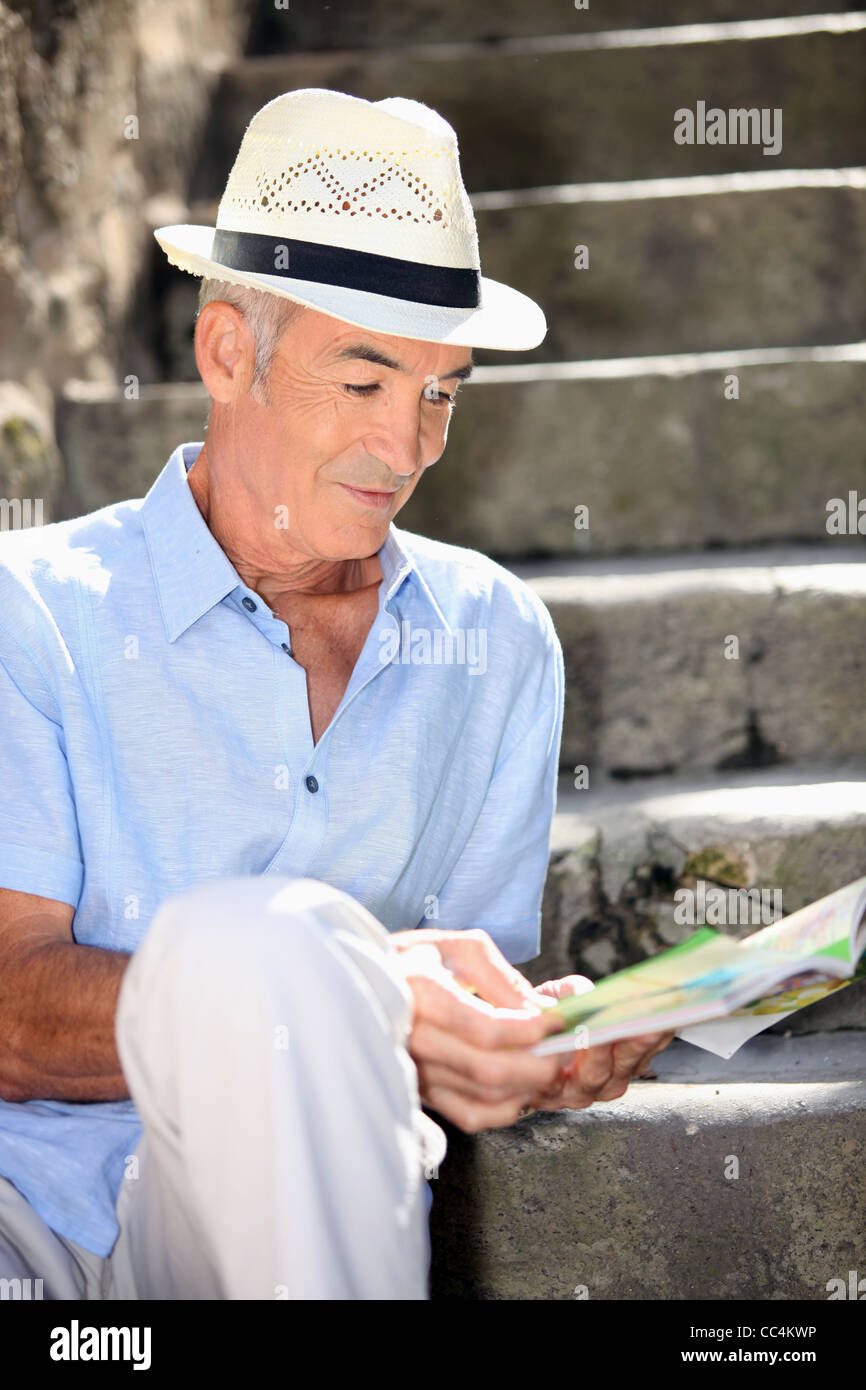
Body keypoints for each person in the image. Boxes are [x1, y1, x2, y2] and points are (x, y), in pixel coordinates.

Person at [0, 88, 671, 1300]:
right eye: (365, 381)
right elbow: (6, 1013)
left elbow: (445, 1029)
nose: (408, 447)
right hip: (32, 1238)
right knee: (265, 941)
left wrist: (518, 1040)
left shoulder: (496, 643)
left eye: (442, 391)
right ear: (223, 352)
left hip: (303, 1237)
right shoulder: (32, 608)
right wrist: (337, 989)